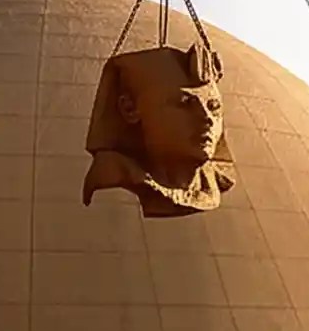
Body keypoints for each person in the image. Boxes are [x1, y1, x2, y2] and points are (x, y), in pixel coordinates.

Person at [82, 43, 235, 217]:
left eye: (213, 106)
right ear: (129, 109)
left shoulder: (216, 182)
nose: (207, 118)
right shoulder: (114, 175)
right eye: (185, 102)